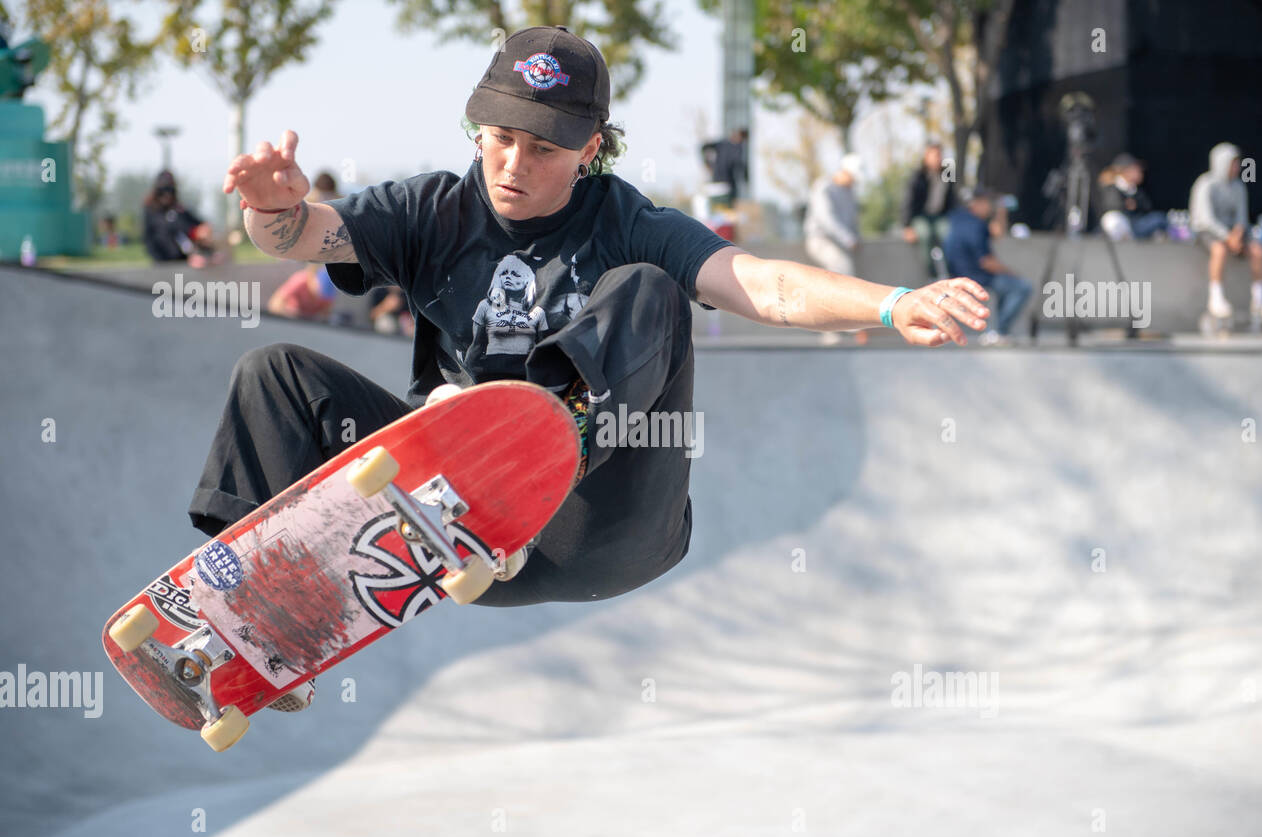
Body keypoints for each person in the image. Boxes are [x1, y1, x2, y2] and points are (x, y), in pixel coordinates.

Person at [205, 26, 989, 707]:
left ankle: (526, 455)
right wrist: (272, 211)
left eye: (543, 149)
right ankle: (254, 618)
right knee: (273, 377)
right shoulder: (431, 211)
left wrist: (891, 305)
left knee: (651, 289)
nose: (513, 164)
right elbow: (308, 238)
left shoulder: (626, 221)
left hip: (604, 521)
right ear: (476, 129)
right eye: (500, 138)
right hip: (453, 531)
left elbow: (765, 285)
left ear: (589, 150)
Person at [1189, 142, 1262, 330]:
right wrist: (1227, 237)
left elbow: (1241, 217)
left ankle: (1260, 299)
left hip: (1234, 234)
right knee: (1219, 250)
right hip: (1209, 231)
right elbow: (1205, 219)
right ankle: (1215, 298)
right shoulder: (1205, 184)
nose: (1236, 167)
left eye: (1237, 163)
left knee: (1256, 250)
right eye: (1233, 163)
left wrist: (1237, 234)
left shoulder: (1238, 186)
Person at [943, 186, 1031, 345]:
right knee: (1021, 287)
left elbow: (997, 233)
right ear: (977, 203)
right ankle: (999, 331)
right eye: (988, 202)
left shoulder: (958, 218)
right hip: (976, 278)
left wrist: (1001, 212)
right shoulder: (976, 225)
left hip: (957, 274)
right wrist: (1012, 272)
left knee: (1008, 287)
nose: (990, 206)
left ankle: (998, 330)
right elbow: (986, 262)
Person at [804, 154, 864, 344]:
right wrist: (848, 239)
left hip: (840, 242)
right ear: (844, 172)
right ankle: (841, 327)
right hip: (819, 239)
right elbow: (826, 219)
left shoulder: (850, 193)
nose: (853, 182)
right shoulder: (824, 188)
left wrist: (854, 237)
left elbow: (853, 221)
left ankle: (839, 325)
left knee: (840, 275)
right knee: (841, 266)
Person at [142, 170, 221, 267]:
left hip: (188, 261)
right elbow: (156, 241)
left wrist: (203, 232)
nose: (167, 195)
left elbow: (197, 226)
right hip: (165, 263)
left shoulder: (179, 211)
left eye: (170, 190)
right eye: (163, 191)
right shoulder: (152, 212)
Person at [900, 142, 957, 277]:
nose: (938, 158)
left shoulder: (947, 173)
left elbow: (953, 197)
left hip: (940, 216)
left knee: (950, 234)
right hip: (921, 216)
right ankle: (931, 273)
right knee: (925, 234)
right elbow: (908, 201)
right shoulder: (918, 176)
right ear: (926, 157)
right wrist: (906, 226)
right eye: (934, 155)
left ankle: (949, 270)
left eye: (939, 155)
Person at [1096, 153, 1166, 241]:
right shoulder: (1113, 186)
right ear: (1126, 171)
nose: (1140, 172)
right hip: (1121, 223)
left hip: (1136, 225)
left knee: (1158, 218)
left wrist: (1135, 203)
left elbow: (1147, 207)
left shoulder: (1135, 190)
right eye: (1136, 169)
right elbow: (1111, 206)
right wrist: (1125, 204)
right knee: (1112, 219)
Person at [266, 264, 339, 321]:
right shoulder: (300, 280)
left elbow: (326, 314)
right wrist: (288, 315)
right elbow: (274, 304)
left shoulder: (328, 292)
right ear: (312, 276)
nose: (320, 295)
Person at [699, 127, 748, 207]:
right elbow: (704, 147)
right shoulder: (724, 144)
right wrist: (707, 163)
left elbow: (740, 167)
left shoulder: (735, 146)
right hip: (720, 183)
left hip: (728, 184)